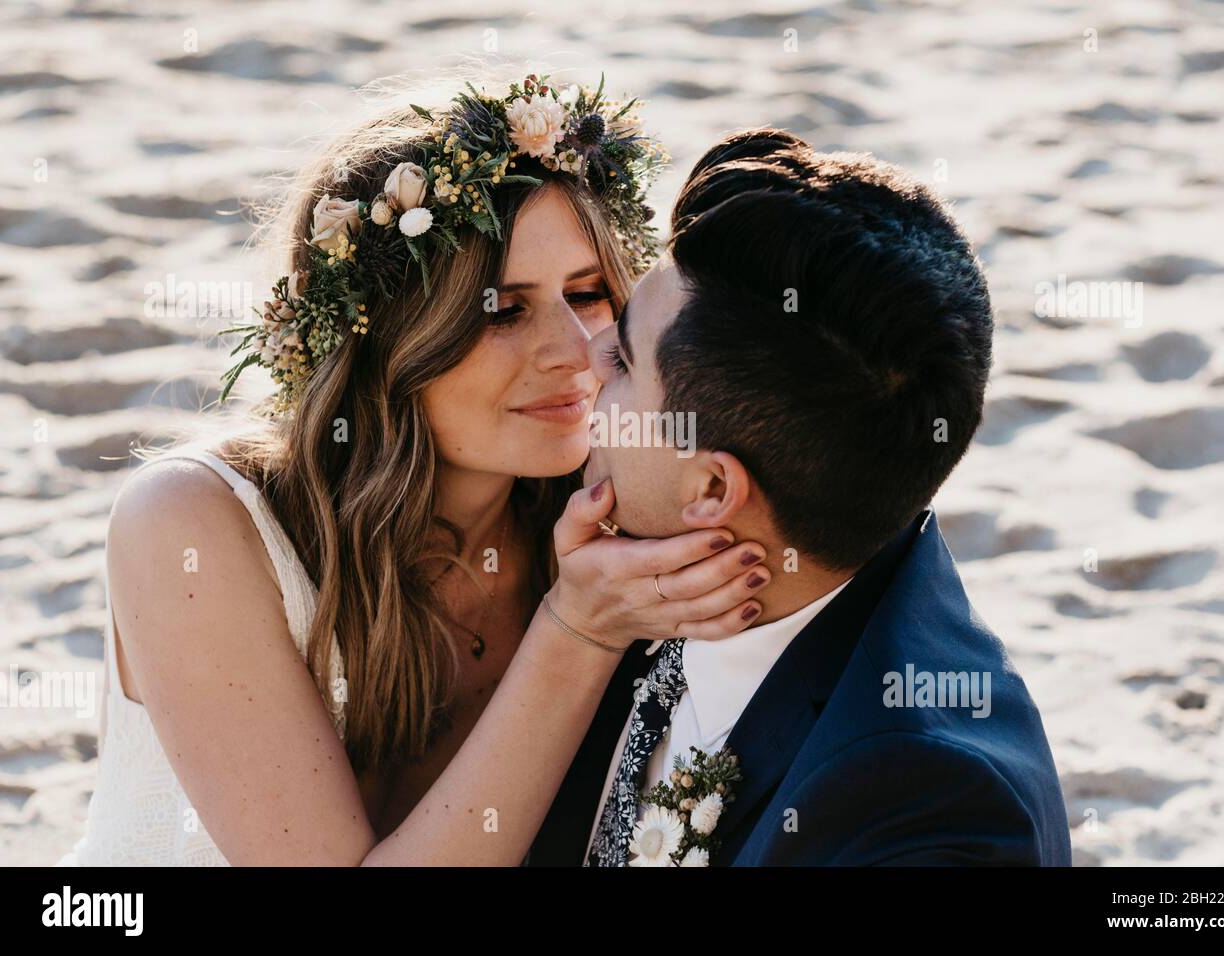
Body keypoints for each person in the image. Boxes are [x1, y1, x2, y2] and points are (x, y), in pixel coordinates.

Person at [58, 74, 771, 866]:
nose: (577, 351)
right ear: (386, 338)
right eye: (501, 309)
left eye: (589, 293)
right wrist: (577, 632)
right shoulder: (194, 524)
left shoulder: (610, 507)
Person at [530, 128, 1072, 866]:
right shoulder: (639, 570)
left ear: (713, 489)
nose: (589, 358)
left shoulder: (931, 814)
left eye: (624, 359)